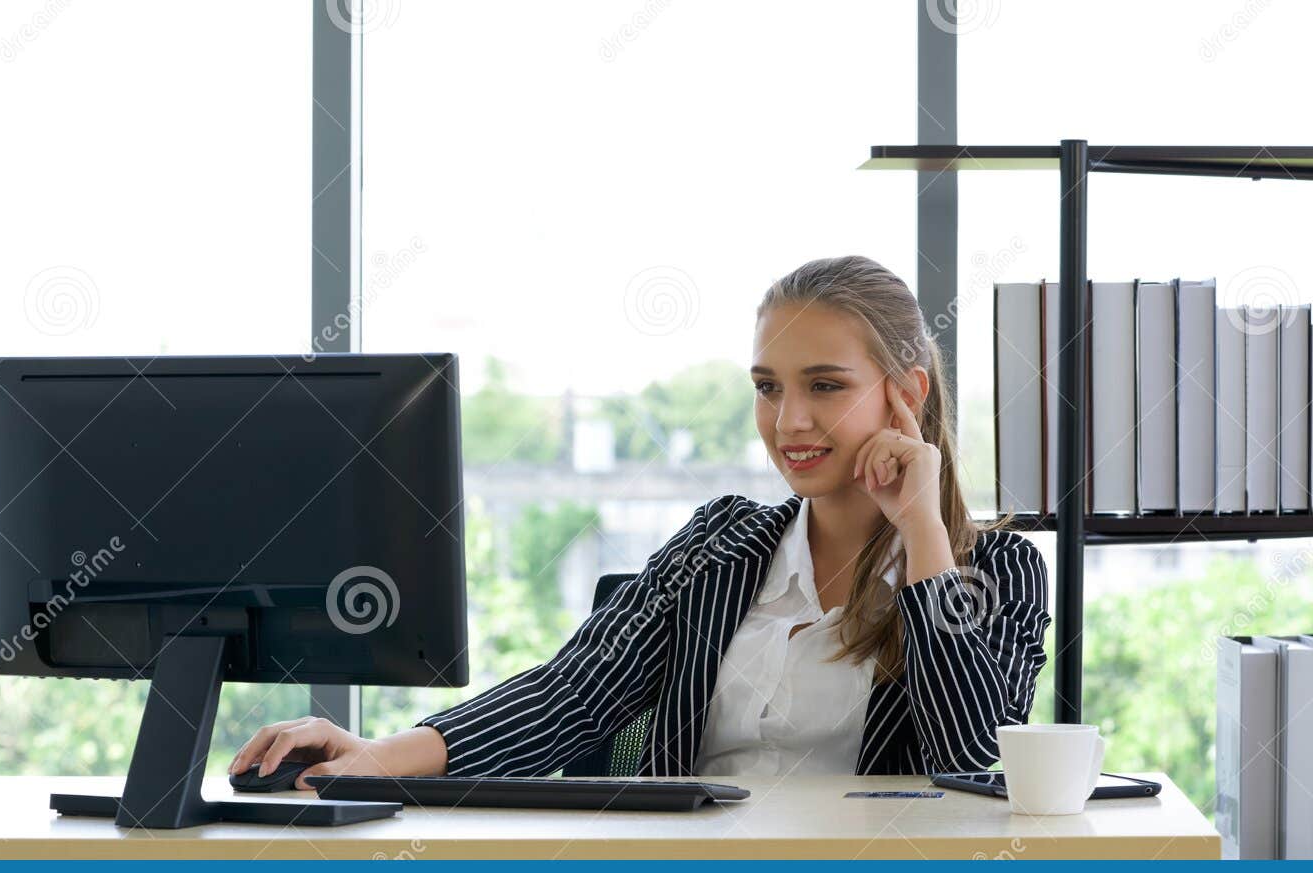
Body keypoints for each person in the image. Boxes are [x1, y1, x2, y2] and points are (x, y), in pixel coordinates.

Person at [229, 254, 1051, 789]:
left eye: (825, 386)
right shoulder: (721, 544)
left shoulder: (996, 570)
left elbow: (974, 757)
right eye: (768, 387)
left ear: (906, 393)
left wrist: (922, 535)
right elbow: (566, 698)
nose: (789, 420)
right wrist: (375, 757)